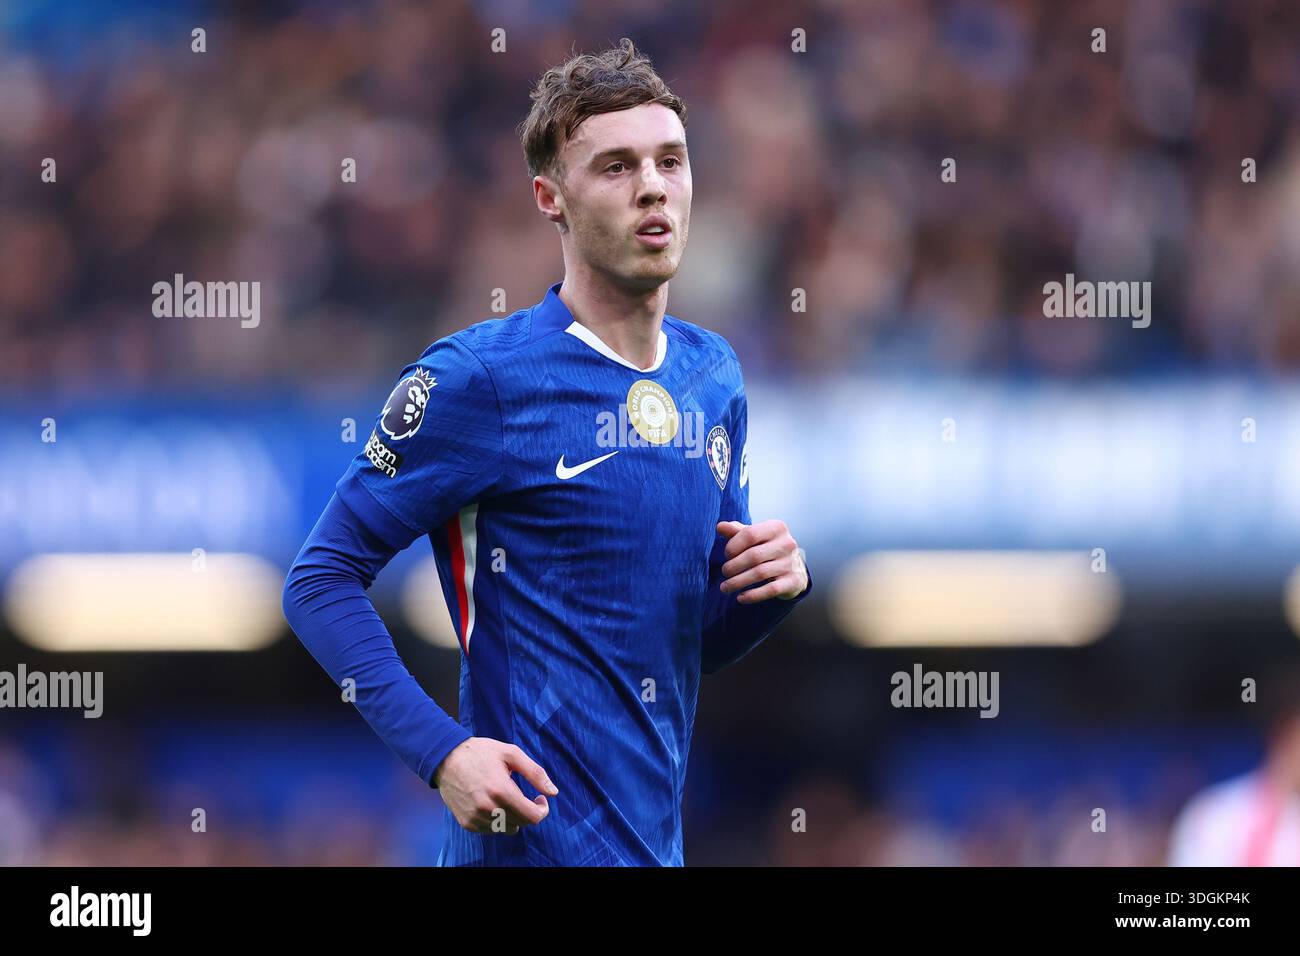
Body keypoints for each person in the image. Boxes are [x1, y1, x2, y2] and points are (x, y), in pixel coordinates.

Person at [282, 37, 810, 866]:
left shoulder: (716, 377)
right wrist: (443, 752)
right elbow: (319, 579)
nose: (652, 188)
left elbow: (682, 639)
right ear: (549, 197)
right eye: (615, 167)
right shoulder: (478, 380)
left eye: (671, 161)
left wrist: (769, 591)